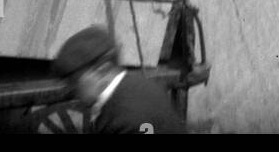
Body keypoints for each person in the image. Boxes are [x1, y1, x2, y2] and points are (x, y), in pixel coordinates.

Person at [51, 25, 185, 133]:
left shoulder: (126, 120)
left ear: (102, 69)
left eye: (74, 81)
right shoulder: (141, 85)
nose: (71, 89)